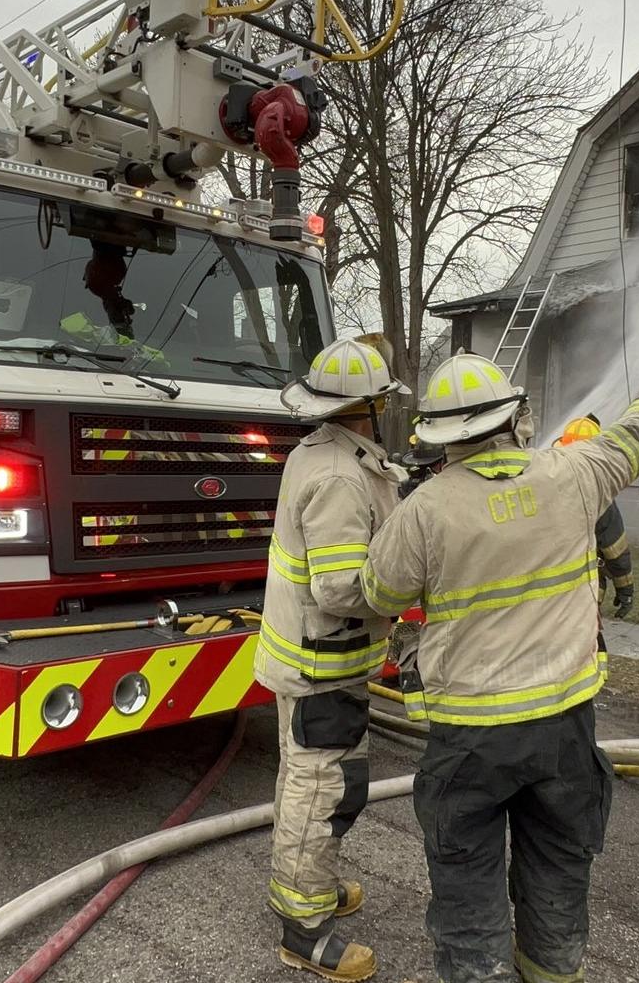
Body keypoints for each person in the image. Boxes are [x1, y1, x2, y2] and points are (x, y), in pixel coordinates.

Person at [361, 354, 639, 983]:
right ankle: (552, 972)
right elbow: (631, 441)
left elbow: (379, 595)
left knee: (466, 876)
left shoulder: (425, 509)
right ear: (513, 418)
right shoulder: (575, 471)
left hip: (471, 733)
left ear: (442, 436)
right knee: (559, 865)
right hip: (565, 726)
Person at [254, 334, 409, 982]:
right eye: (382, 404)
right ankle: (304, 928)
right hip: (324, 664)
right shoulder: (342, 477)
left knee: (322, 783)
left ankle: (306, 885)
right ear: (367, 408)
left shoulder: (327, 455)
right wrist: (407, 578)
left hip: (324, 660)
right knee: (321, 790)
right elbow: (342, 587)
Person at [556, 415, 635, 617]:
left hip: (544, 598)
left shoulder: (541, 483)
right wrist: (625, 589)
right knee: (589, 644)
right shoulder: (598, 495)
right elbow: (614, 547)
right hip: (584, 593)